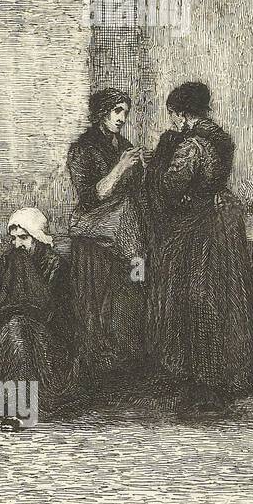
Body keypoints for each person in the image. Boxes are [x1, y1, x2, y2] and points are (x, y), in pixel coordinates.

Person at [146, 81, 253, 417]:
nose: (172, 123)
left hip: (198, 231)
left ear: (182, 114)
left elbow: (170, 186)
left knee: (196, 300)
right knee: (223, 299)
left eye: (173, 117)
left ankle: (201, 384)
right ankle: (224, 378)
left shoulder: (192, 145)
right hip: (222, 227)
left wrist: (160, 160)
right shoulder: (220, 140)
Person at [65, 88, 150, 390]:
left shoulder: (124, 145)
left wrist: (144, 168)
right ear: (101, 112)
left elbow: (136, 192)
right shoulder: (82, 149)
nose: (122, 118)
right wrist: (120, 168)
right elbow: (89, 199)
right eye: (117, 111)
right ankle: (92, 373)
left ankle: (123, 369)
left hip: (125, 236)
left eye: (125, 112)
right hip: (95, 237)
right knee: (94, 306)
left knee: (125, 298)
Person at [0, 208, 78, 419]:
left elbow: (54, 313)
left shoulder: (56, 266)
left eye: (24, 238)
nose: (17, 244)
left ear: (38, 238)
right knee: (14, 329)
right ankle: (14, 404)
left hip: (48, 341)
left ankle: (21, 407)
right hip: (11, 333)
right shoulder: (9, 262)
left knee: (19, 330)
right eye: (14, 239)